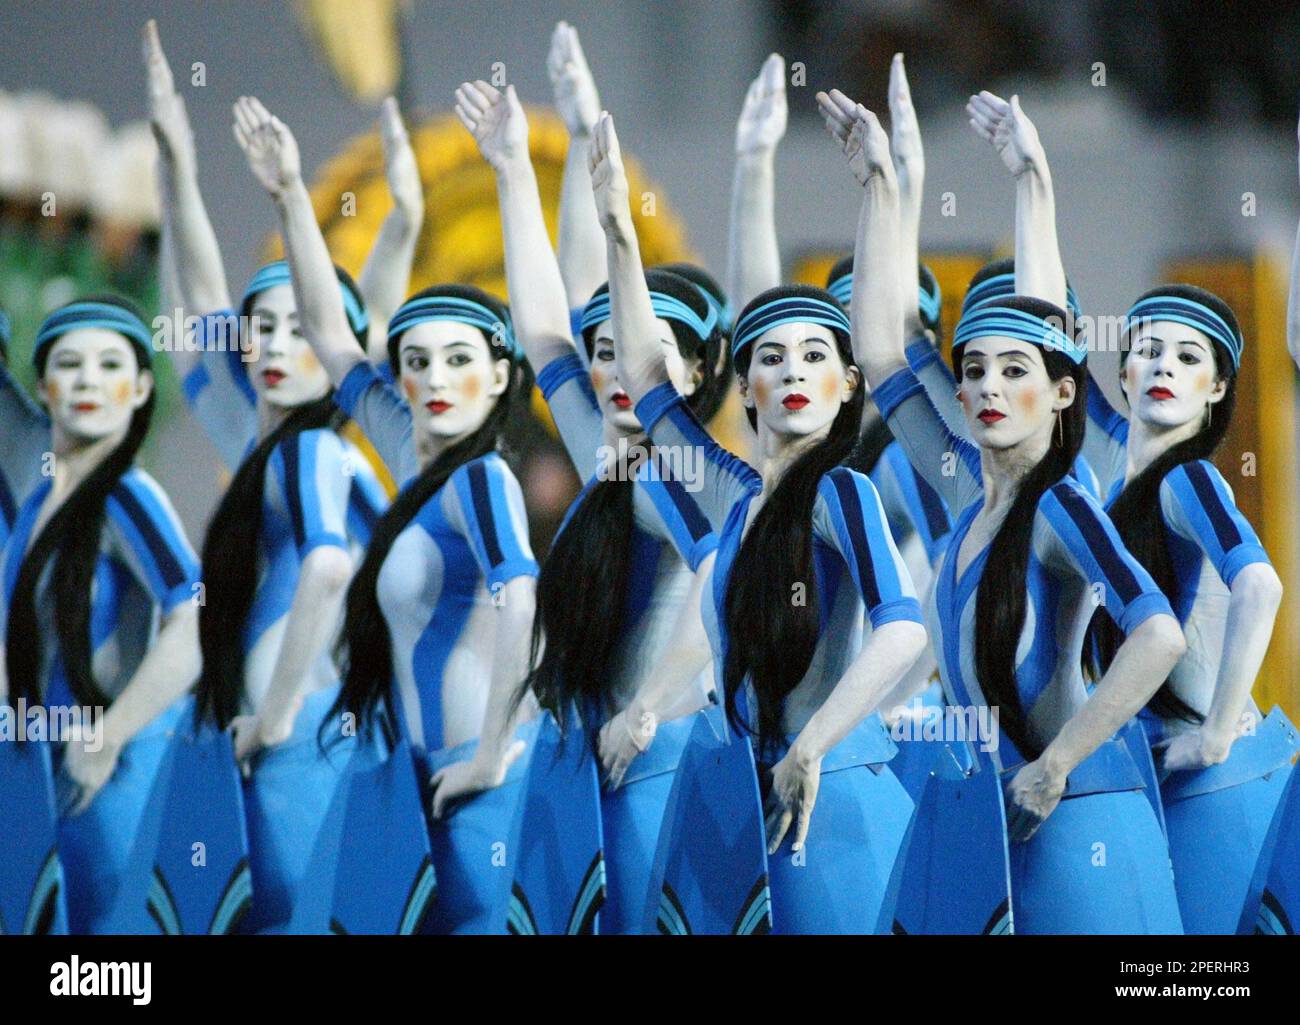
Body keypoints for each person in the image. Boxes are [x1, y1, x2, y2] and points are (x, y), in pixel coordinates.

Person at [820, 90, 1189, 932]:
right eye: (975, 369)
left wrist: (1057, 763)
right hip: (994, 823)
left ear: (1063, 392)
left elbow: (1159, 631)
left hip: (1080, 824)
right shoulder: (960, 482)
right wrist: (879, 187)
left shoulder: (1064, 502)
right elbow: (882, 349)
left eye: (1013, 370)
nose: (988, 386)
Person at [589, 111, 930, 933]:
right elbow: (645, 374)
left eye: (817, 355)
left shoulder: (842, 493)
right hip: (741, 798)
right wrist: (619, 236)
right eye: (771, 357)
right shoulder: (734, 496)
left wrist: (813, 744)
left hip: (835, 802)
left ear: (850, 384)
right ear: (743, 388)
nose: (794, 371)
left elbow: (905, 631)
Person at [968, 88, 1293, 933]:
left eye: (1187, 356)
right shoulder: (1114, 464)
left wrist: (1220, 729)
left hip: (1219, 787)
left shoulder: (1187, 481)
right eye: (1145, 346)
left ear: (1218, 388)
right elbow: (1052, 332)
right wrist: (1033, 183)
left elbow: (1260, 584)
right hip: (1159, 780)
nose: (1160, 364)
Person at [237, 95, 540, 933]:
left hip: (469, 781)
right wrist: (294, 194)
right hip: (409, 777)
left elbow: (523, 594)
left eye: (457, 359)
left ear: (502, 375)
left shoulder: (484, 480)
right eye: (416, 362)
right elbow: (333, 340)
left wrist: (487, 753)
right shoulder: (409, 451)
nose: (435, 377)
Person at [457, 70, 723, 933]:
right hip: (576, 766)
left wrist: (648, 709)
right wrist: (509, 171)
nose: (611, 370)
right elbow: (540, 327)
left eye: (633, 353)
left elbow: (722, 569)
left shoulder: (675, 478)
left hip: (649, 767)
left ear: (692, 374)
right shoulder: (603, 460)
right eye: (600, 351)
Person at [1, 296, 201, 934]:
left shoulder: (128, 494)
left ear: (142, 387)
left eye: (109, 363)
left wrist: (109, 737)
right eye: (70, 364)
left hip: (111, 783)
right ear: (42, 385)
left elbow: (194, 621)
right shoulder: (36, 506)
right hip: (44, 778)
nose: (88, 380)